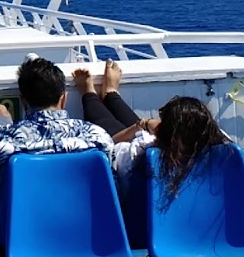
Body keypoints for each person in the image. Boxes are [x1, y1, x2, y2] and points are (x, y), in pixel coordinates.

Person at [0, 53, 113, 222]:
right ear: (64, 99)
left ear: (22, 101)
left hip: (21, 234)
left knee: (0, 114)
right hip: (90, 232)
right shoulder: (98, 137)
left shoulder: (1, 141)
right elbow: (113, 193)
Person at [73, 60, 232, 207]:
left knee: (108, 124)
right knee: (134, 126)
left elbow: (110, 142)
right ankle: (111, 94)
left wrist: (143, 125)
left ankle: (90, 93)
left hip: (140, 220)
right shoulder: (224, 148)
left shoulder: (142, 154)